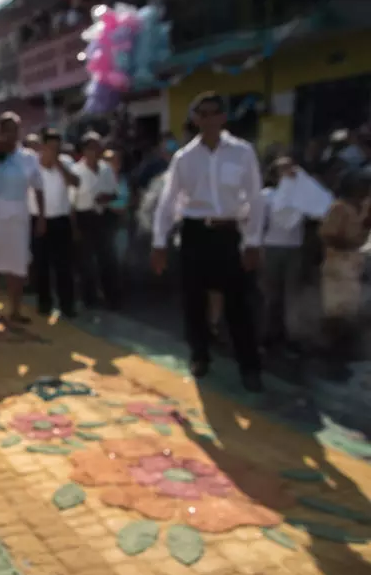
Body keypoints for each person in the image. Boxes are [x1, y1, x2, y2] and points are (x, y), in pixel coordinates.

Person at [151, 92, 264, 391]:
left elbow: (254, 198)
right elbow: (168, 201)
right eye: (202, 114)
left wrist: (252, 241)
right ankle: (200, 355)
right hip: (194, 233)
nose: (208, 119)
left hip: (228, 233)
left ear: (223, 117)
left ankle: (249, 367)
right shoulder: (184, 158)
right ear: (195, 119)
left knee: (238, 302)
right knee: (193, 299)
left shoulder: (242, 152)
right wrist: (159, 241)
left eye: (214, 112)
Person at [0, 112, 44, 324]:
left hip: (18, 216)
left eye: (14, 129)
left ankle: (15, 309)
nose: (10, 134)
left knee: (18, 264)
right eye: (5, 130)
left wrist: (41, 216)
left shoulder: (29, 157)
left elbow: (38, 188)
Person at [259, 157, 331, 349]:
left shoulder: (300, 194)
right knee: (272, 294)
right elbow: (259, 223)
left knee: (292, 294)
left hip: (294, 249)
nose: (290, 172)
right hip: (272, 247)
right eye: (284, 170)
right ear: (275, 175)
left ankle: (290, 334)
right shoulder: (267, 196)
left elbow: (319, 207)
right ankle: (268, 333)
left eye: (292, 168)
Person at [318, 168, 370, 378]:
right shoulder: (338, 208)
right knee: (335, 314)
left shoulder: (362, 209)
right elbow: (328, 236)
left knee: (348, 312)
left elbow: (362, 234)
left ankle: (339, 354)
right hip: (337, 266)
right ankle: (329, 358)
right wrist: (352, 244)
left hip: (352, 267)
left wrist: (366, 224)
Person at [31, 128, 80, 317]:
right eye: (50, 146)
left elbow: (76, 182)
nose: (53, 150)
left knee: (64, 266)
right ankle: (44, 303)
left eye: (56, 147)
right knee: (42, 265)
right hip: (39, 219)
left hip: (61, 220)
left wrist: (59, 164)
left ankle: (67, 304)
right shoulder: (33, 164)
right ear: (42, 146)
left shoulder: (66, 162)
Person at [71, 133, 120, 309]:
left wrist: (105, 196)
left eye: (98, 147)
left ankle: (112, 297)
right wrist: (74, 227)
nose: (95, 151)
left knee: (108, 259)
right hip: (84, 217)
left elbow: (115, 192)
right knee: (86, 261)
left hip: (103, 217)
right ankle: (89, 298)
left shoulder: (106, 169)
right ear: (84, 150)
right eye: (91, 147)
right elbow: (71, 202)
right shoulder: (76, 171)